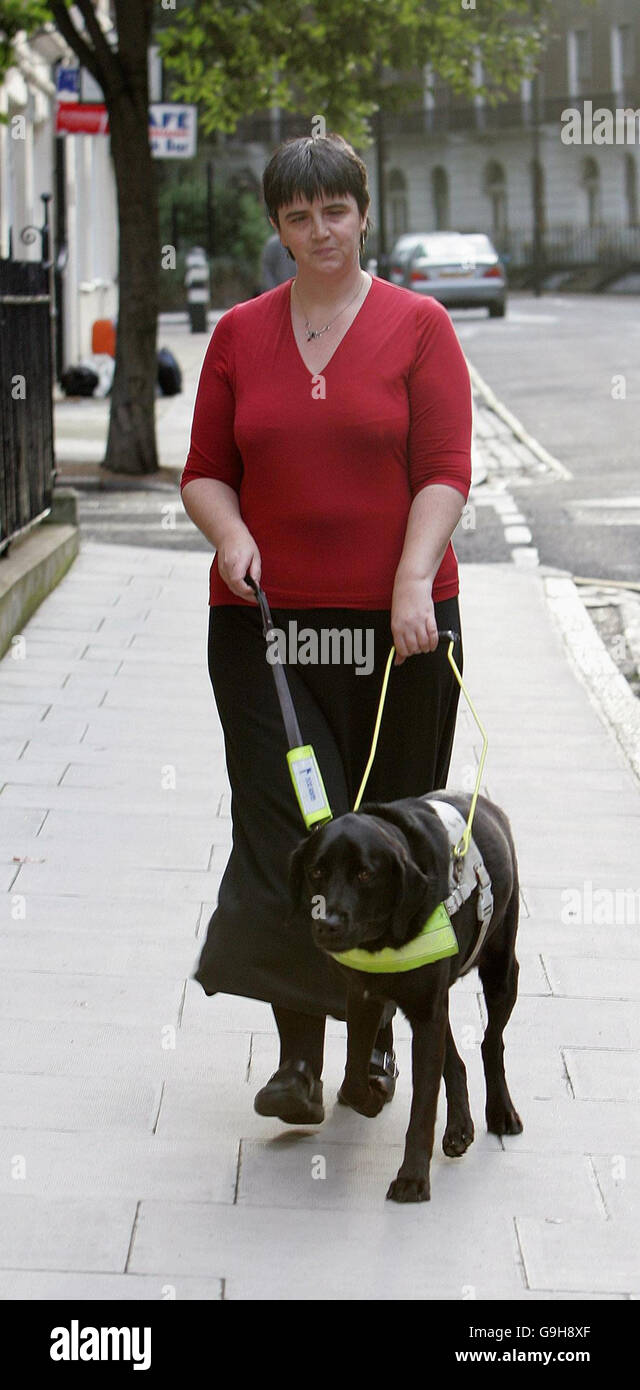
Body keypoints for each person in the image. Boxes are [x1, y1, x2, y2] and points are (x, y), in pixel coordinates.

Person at [180, 133, 472, 1125]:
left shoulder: (419, 325)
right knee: (291, 835)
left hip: (399, 634)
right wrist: (229, 536)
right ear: (278, 226)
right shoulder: (236, 334)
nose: (319, 232)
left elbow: (443, 468)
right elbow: (206, 469)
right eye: (297, 216)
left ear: (361, 212)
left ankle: (376, 1042)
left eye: (334, 211)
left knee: (383, 837)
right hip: (267, 634)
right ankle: (298, 1060)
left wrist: (407, 580)